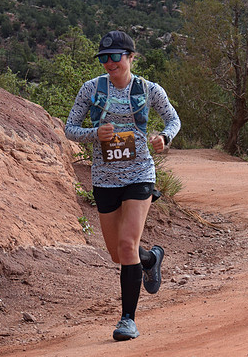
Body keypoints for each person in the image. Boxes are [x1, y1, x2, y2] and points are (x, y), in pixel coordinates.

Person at [65, 30, 181, 341]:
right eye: (104, 57)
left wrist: (164, 137)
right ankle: (150, 259)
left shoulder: (149, 89)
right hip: (104, 179)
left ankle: (127, 320)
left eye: (115, 56)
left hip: (140, 174)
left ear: (130, 57)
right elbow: (69, 128)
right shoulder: (91, 89)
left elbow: (173, 119)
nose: (109, 62)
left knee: (128, 244)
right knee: (118, 253)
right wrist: (94, 134)